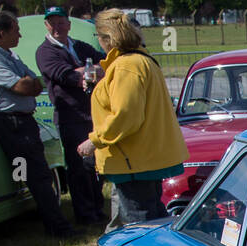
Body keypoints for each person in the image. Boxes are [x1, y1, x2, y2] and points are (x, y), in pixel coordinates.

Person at [77, 9, 187, 230]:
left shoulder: (127, 66)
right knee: (153, 220)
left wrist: (95, 140)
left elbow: (126, 115)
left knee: (140, 226)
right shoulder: (137, 61)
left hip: (135, 161)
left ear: (105, 38)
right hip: (142, 157)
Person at [0, 10, 73, 237]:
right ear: (2, 32)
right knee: (37, 173)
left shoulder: (9, 55)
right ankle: (58, 227)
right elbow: (25, 87)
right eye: (16, 30)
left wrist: (29, 83)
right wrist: (28, 84)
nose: (20, 35)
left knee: (40, 173)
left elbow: (34, 81)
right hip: (10, 122)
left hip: (22, 120)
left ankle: (51, 220)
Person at [36, 7, 104, 226]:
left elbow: (104, 63)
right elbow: (61, 74)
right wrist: (88, 71)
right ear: (46, 26)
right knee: (79, 167)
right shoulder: (45, 51)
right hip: (70, 116)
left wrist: (90, 69)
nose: (57, 27)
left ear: (69, 24)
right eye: (52, 23)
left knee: (96, 165)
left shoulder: (81, 46)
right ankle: (85, 214)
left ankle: (97, 208)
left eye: (61, 22)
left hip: (92, 113)